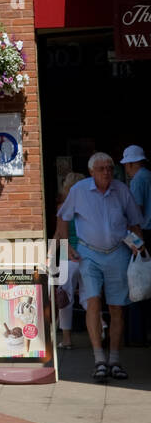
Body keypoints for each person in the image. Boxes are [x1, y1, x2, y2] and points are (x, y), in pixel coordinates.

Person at [56, 152, 146, 382]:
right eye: (102, 168)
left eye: (109, 167)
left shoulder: (121, 190)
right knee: (93, 302)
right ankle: (99, 360)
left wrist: (138, 245)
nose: (107, 172)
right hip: (89, 254)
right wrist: (66, 248)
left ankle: (114, 360)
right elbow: (62, 217)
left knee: (117, 308)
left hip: (118, 253)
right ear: (91, 172)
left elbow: (135, 222)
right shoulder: (79, 191)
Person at [52, 171, 85, 351]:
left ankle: (66, 339)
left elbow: (58, 234)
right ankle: (101, 326)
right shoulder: (89, 205)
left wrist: (49, 255)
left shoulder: (64, 207)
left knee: (65, 299)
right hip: (88, 256)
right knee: (90, 297)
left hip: (67, 257)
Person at [123, 145, 151, 346]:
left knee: (137, 283)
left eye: (126, 164)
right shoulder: (149, 176)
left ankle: (137, 336)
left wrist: (133, 242)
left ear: (132, 163)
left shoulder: (138, 180)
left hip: (142, 234)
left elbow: (136, 214)